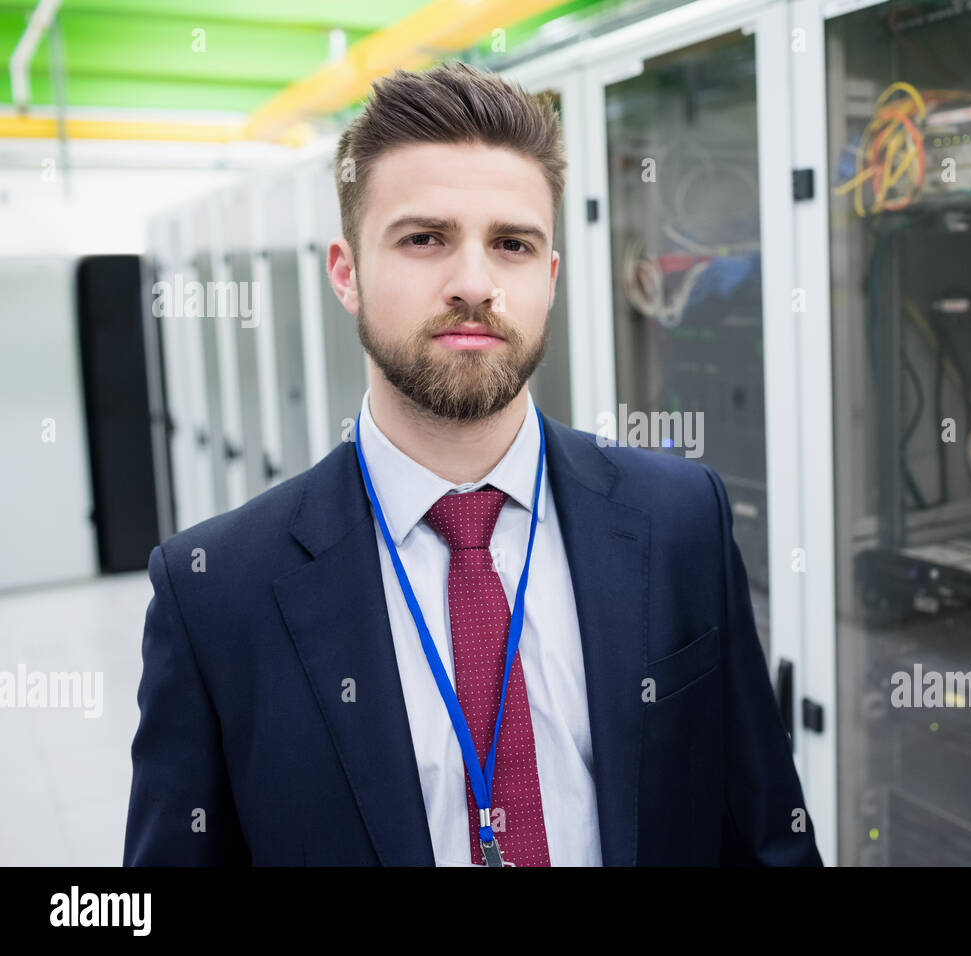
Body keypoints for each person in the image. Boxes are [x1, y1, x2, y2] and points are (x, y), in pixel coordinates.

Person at [124, 61, 821, 867]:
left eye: (512, 244)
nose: (475, 284)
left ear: (550, 278)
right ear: (346, 273)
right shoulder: (216, 592)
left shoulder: (680, 519)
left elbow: (769, 833)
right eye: (425, 239)